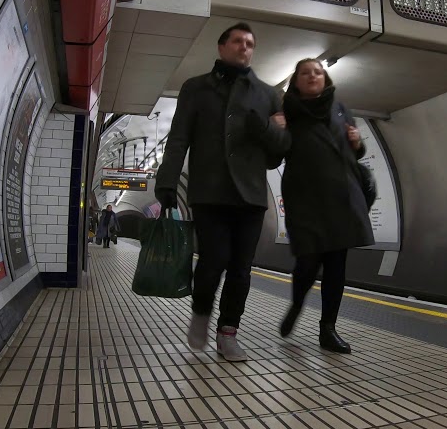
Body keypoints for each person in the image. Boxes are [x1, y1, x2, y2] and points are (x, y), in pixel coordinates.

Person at [155, 23, 290, 362]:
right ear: (221, 47)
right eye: (238, 41)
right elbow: (179, 137)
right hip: (209, 190)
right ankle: (201, 313)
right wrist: (167, 180)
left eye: (250, 44)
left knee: (242, 268)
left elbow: (278, 154)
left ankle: (228, 332)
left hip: (251, 196)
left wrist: (267, 131)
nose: (244, 47)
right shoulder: (195, 88)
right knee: (213, 260)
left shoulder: (269, 94)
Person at [277, 59, 373, 354]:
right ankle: (297, 302)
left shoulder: (341, 109)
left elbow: (354, 154)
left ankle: (328, 329)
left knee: (336, 266)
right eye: (305, 73)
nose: (312, 76)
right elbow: (275, 152)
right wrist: (276, 131)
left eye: (318, 72)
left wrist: (358, 144)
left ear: (326, 79)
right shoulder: (286, 112)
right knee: (307, 262)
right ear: (295, 81)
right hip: (305, 197)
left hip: (340, 197)